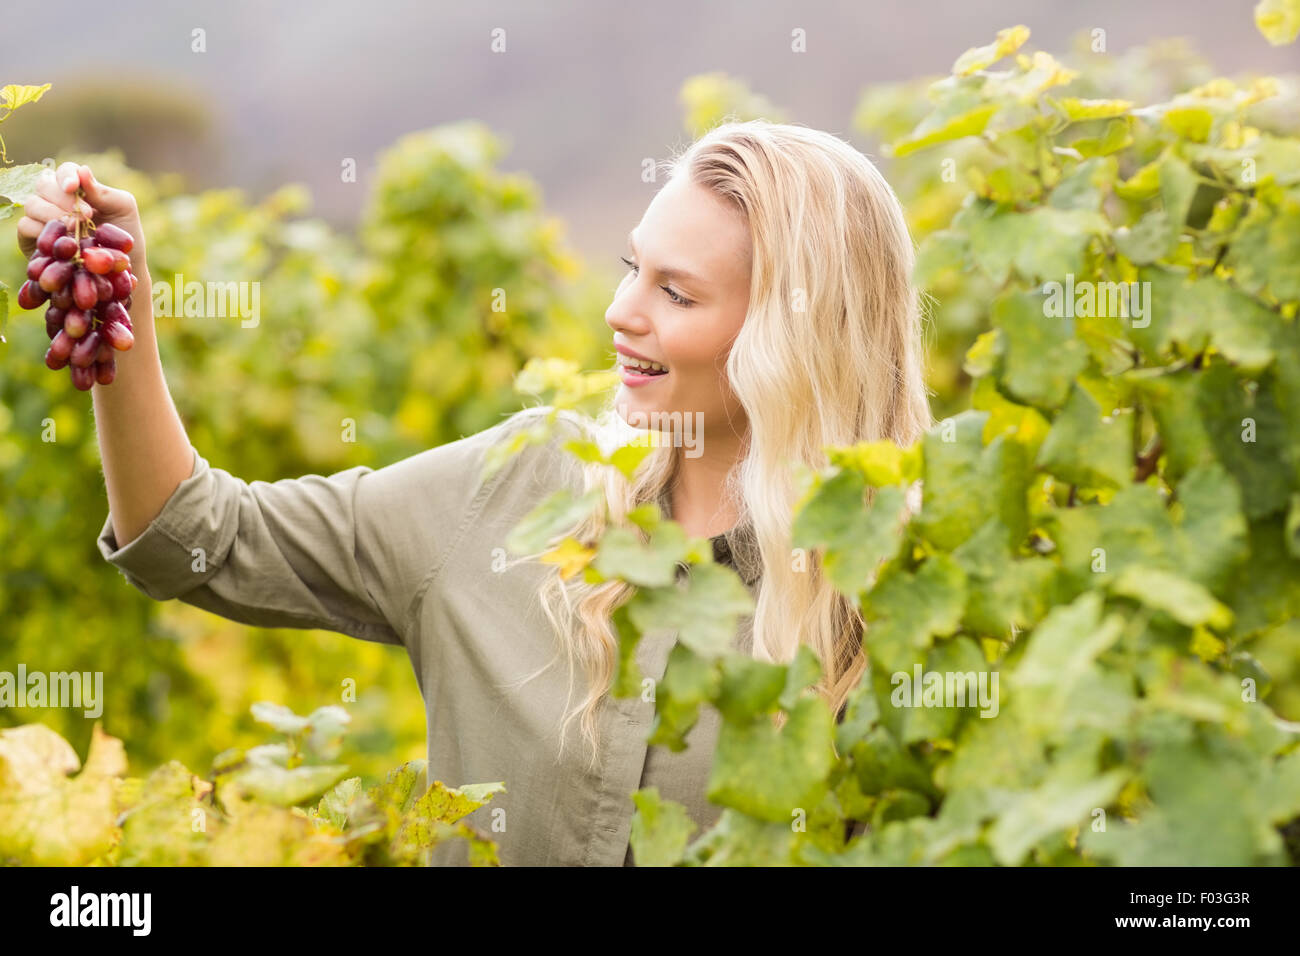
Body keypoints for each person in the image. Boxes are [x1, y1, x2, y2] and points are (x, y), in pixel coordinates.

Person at [17, 119, 931, 866]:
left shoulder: (898, 590)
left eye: (678, 294)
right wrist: (117, 297)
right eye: (630, 268)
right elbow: (193, 535)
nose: (621, 312)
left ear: (794, 339)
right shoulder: (518, 488)